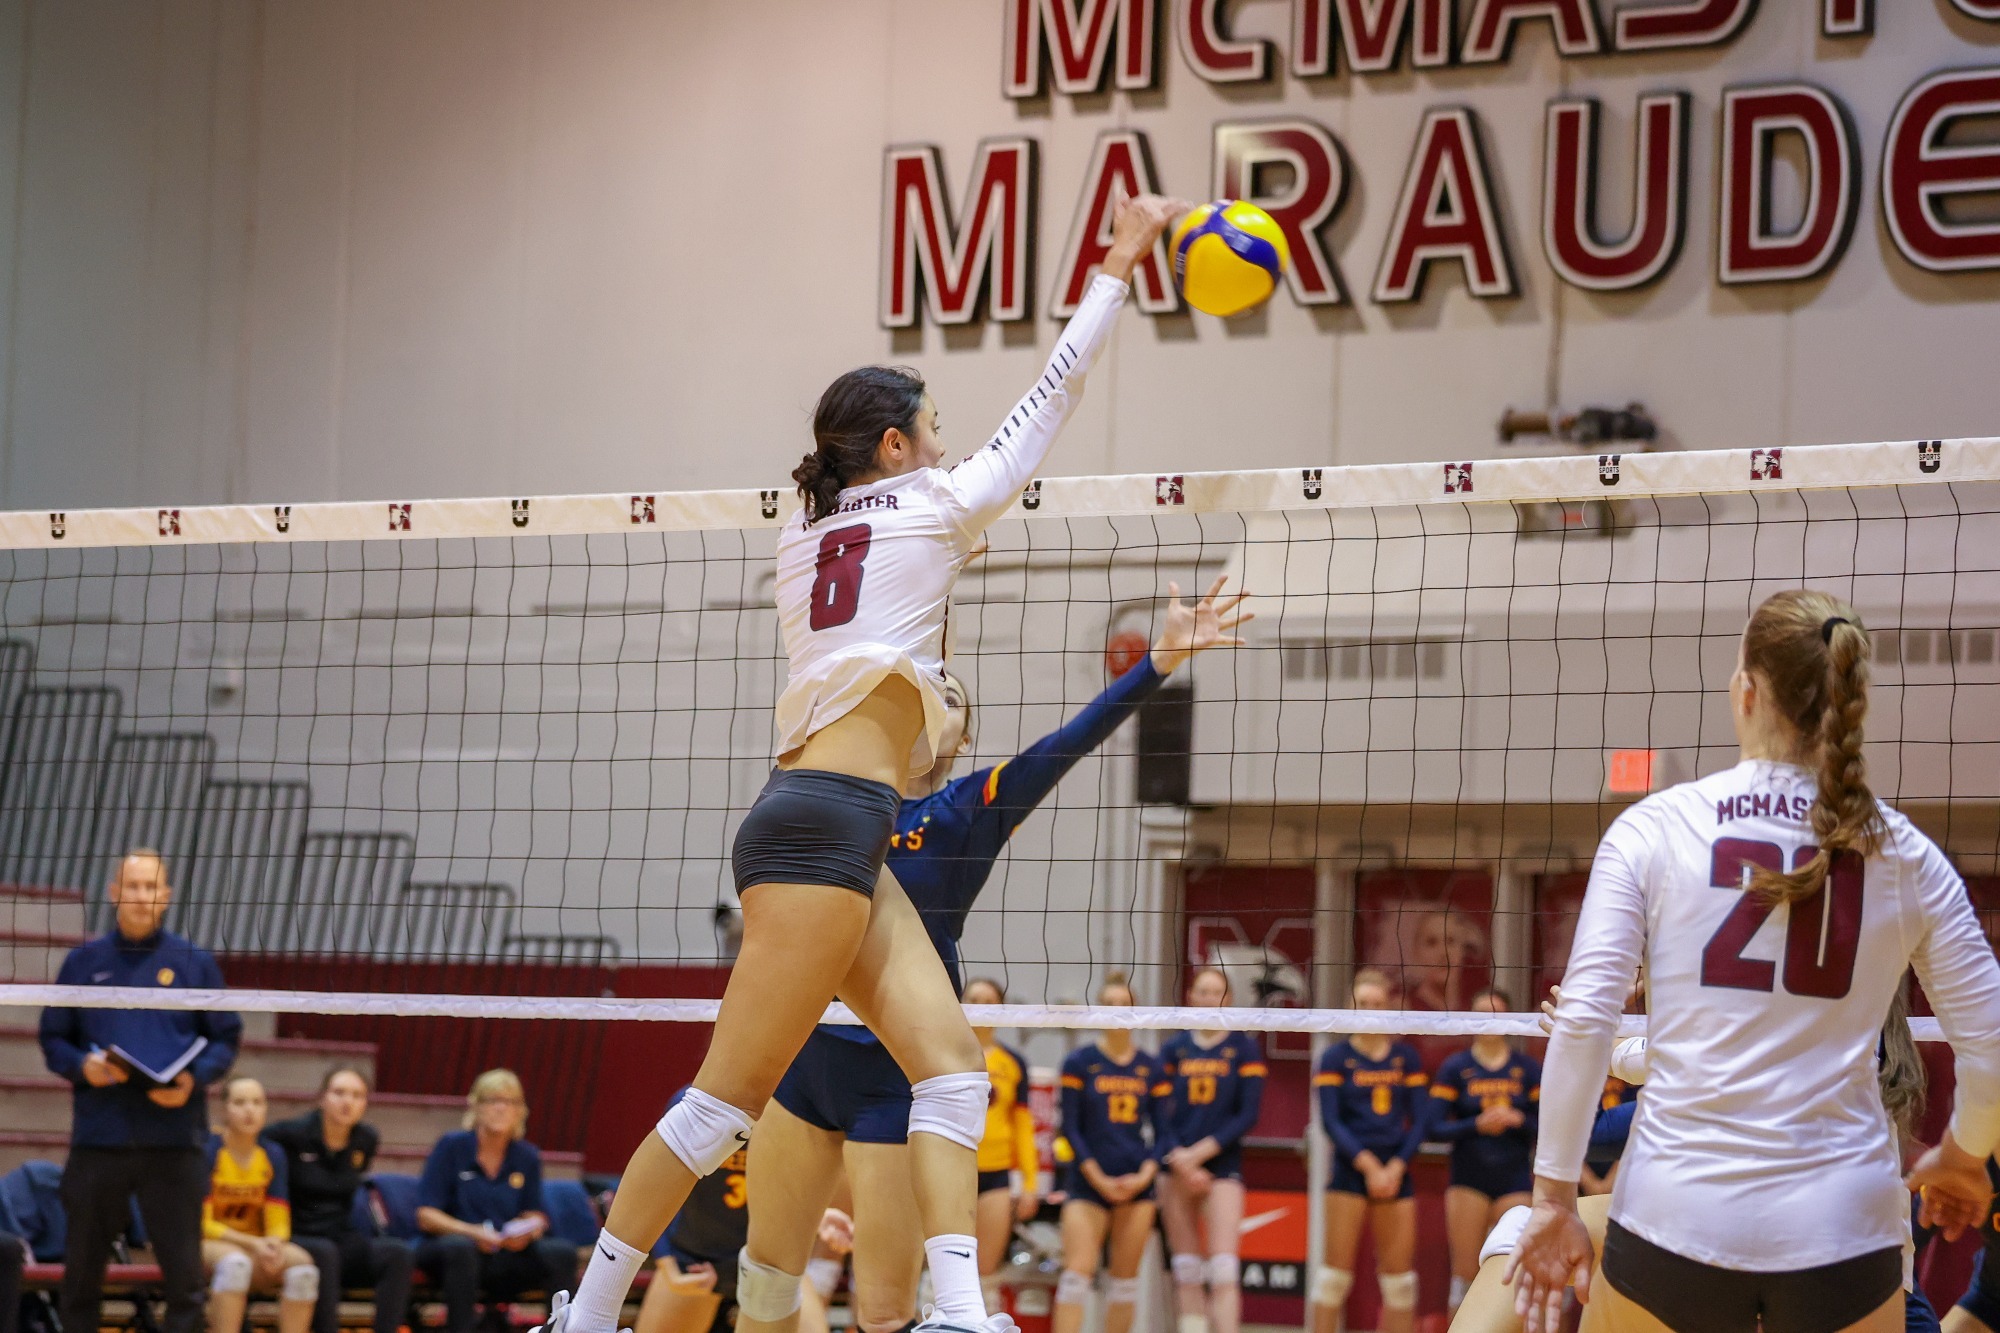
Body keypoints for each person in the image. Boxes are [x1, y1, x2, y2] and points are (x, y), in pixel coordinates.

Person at [551, 191, 1187, 1333]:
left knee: (952, 1071)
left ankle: (955, 1314)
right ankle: (586, 1314)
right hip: (819, 826)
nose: (945, 442)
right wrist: (1120, 264)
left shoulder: (802, 531)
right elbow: (1053, 396)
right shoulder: (933, 505)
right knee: (718, 1105)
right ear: (895, 445)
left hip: (824, 820)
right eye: (931, 426)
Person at [742, 577, 1247, 1333]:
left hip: (892, 1079)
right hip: (801, 1058)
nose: (922, 698)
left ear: (958, 736)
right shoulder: (824, 787)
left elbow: (1065, 746)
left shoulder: (967, 807)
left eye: (944, 696)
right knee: (765, 1289)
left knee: (883, 1311)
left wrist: (1159, 662)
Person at [1510, 590, 2000, 1333]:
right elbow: (1991, 1041)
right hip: (1844, 1233)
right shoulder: (1908, 854)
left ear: (1745, 691)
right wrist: (1965, 1155)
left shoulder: (1654, 827)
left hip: (1675, 1219)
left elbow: (1583, 1022)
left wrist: (1551, 1199)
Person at [1455, 997, 1939, 1333]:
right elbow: (1609, 1124)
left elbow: (1712, 1053)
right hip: (1808, 1252)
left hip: (1846, 1270)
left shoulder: (1795, 1039)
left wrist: (1595, 1039)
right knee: (1527, 1227)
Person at [39, 849, 243, 1333]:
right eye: (131, 886)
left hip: (173, 1142)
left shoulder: (194, 963)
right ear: (114, 893)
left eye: (150, 887)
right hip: (100, 1141)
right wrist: (80, 1066)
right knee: (82, 1278)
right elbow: (53, 1037)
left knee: (184, 1284)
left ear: (166, 896)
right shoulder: (83, 963)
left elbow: (225, 1037)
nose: (140, 896)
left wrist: (195, 1079)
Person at [631, 1088, 853, 1333]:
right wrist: (666, 1263)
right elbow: (654, 1189)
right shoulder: (696, 1101)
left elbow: (792, 1187)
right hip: (696, 1261)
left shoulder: (801, 1111)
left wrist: (817, 1217)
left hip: (773, 1263)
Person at [415, 1070, 579, 1333]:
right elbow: (426, 1215)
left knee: (561, 1254)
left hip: (504, 1251)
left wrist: (528, 1231)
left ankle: (560, 1330)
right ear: (476, 1106)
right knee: (461, 1251)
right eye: (493, 1100)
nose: (502, 1108)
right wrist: (472, 1232)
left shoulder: (527, 1156)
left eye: (510, 1101)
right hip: (457, 1249)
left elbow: (534, 1213)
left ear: (520, 1111)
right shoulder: (451, 1147)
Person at [1053, 975, 1171, 1333]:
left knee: (1124, 1282)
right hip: (1088, 1183)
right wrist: (1098, 1178)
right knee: (1077, 1274)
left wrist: (1144, 1176)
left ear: (1135, 1011)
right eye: (1109, 1004)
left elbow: (1165, 1132)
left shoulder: (1151, 1068)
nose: (1117, 1011)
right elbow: (1070, 1128)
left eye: (1124, 1004)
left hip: (1136, 1184)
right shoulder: (1079, 1062)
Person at [1312, 968, 1427, 1333]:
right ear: (1351, 1007)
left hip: (1396, 1171)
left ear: (1389, 1007)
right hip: (1350, 1170)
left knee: (1400, 1284)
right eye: (1364, 1003)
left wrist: (1393, 1167)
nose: (1371, 1009)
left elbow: (1420, 1121)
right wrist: (1369, 1167)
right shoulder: (1334, 1058)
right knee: (1333, 1278)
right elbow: (1331, 1122)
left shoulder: (1406, 1058)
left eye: (1378, 1003)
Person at [267, 1066, 415, 1333]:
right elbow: (257, 1142)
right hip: (299, 1234)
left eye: (357, 1095)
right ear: (322, 1098)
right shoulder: (292, 1135)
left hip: (341, 1233)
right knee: (326, 1254)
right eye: (339, 1093)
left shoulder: (366, 1139)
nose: (348, 1102)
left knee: (397, 1253)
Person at [1159, 966, 1266, 1333]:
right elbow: (1158, 1113)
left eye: (1216, 993)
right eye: (1202, 992)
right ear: (1191, 996)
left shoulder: (1244, 1048)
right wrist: (1179, 1158)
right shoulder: (1174, 1048)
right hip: (1176, 1169)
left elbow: (1248, 1114)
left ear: (1228, 1000)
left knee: (1223, 1271)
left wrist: (1197, 1155)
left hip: (1221, 1166)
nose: (1207, 999)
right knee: (1187, 1271)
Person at [1429, 988, 1539, 1315]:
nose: (1489, 1021)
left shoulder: (1527, 1069)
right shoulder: (1456, 1067)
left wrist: (1518, 1119)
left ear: (1509, 1020)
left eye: (1497, 1013)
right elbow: (1433, 1127)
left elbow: (1548, 1125)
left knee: (1515, 1273)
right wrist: (1477, 1124)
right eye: (1481, 1013)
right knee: (1464, 1276)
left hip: (1514, 1179)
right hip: (1469, 1179)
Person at [202, 1077, 318, 1333]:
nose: (249, 1110)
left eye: (257, 1102)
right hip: (209, 1242)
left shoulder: (272, 1154)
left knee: (304, 1268)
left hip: (255, 1244)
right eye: (240, 1102)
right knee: (235, 1264)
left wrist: (275, 1243)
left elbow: (278, 1216)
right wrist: (254, 1244)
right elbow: (202, 1224)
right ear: (224, 1109)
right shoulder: (209, 1151)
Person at [964, 978, 1040, 1305]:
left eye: (989, 1000)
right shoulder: (942, 1054)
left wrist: (1030, 1184)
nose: (982, 1005)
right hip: (953, 1170)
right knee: (943, 1271)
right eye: (974, 998)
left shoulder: (1013, 1062)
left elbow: (1023, 1126)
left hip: (996, 1174)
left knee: (986, 1274)